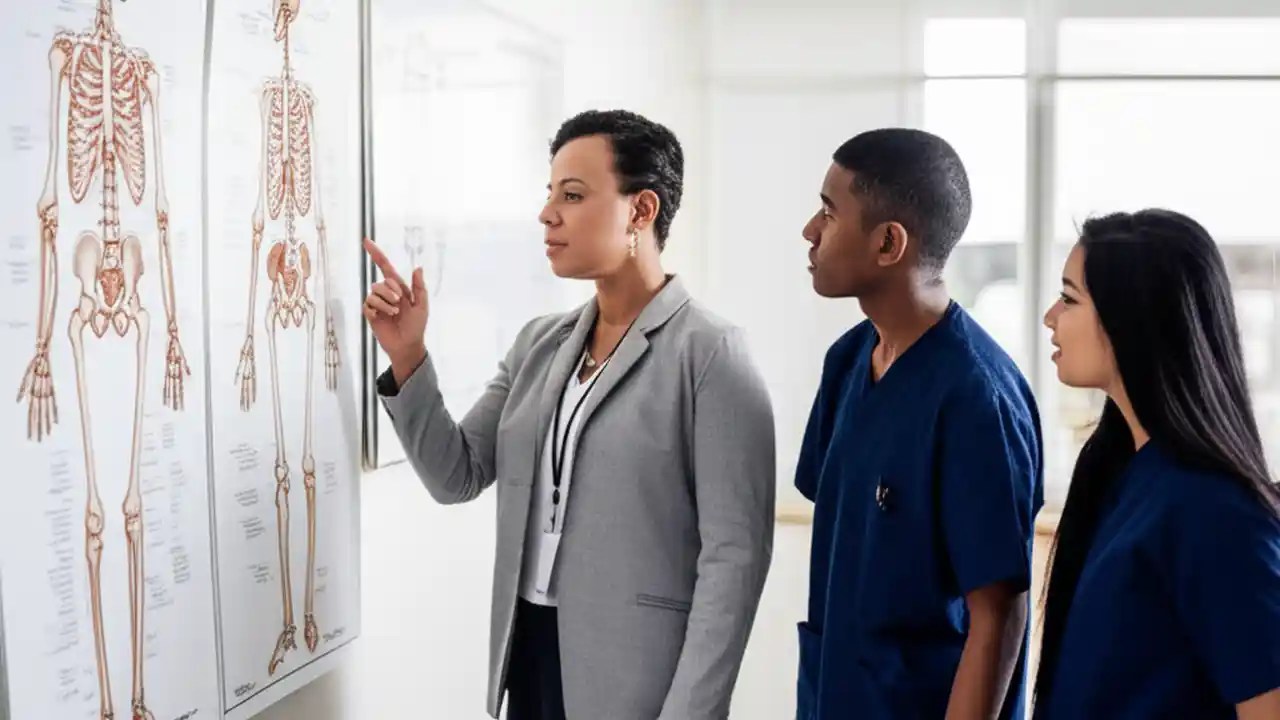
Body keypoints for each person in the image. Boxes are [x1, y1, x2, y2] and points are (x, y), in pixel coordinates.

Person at [362, 109, 776, 720]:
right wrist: (407, 356)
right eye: (550, 193)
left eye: (573, 195)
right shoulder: (540, 344)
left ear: (642, 210)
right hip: (530, 654)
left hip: (640, 678)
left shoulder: (711, 355)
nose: (547, 213)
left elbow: (734, 562)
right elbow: (458, 475)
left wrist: (692, 711)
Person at [794, 128, 1044, 719]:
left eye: (829, 212)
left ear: (888, 243)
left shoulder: (976, 396)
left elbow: (1000, 613)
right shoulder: (848, 361)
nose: (810, 230)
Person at [1035, 209, 1280, 719]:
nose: (1050, 317)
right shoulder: (1119, 472)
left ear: (1131, 321)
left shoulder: (1214, 509)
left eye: (1070, 298)